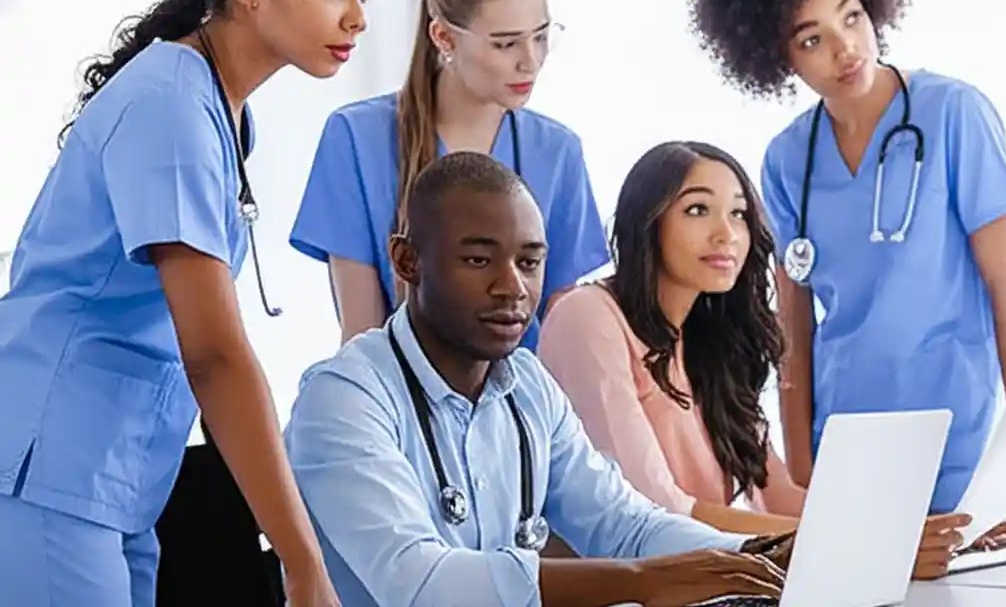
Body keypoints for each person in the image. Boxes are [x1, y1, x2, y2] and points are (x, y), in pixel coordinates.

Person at [0, 0, 375, 604]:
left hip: (114, 479)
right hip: (49, 465)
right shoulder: (171, 104)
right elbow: (214, 354)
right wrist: (301, 562)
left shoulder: (219, 107)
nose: (356, 16)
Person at [687, 0, 1006, 529]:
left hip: (960, 453)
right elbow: (793, 337)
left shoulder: (954, 118)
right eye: (812, 39)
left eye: (852, 17)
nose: (845, 50)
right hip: (848, 458)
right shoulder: (786, 161)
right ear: (777, 56)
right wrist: (802, 479)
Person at [284, 151, 795, 606]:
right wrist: (642, 581)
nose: (512, 287)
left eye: (529, 262)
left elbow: (624, 525)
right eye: (478, 259)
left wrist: (758, 554)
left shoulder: (526, 385)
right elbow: (423, 584)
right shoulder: (345, 397)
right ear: (407, 260)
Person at [539, 140, 977, 579]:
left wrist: (916, 533)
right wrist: (860, 547)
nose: (726, 233)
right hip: (620, 587)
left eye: (739, 214)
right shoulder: (587, 317)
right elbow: (656, 512)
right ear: (646, 222)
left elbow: (778, 491)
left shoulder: (714, 341)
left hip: (702, 582)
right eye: (697, 210)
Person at [290, 0, 608, 350]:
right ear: (443, 37)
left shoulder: (558, 152)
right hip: (393, 403)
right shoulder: (356, 139)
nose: (530, 60)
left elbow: (563, 342)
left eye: (541, 36)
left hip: (526, 407)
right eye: (505, 43)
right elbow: (361, 340)